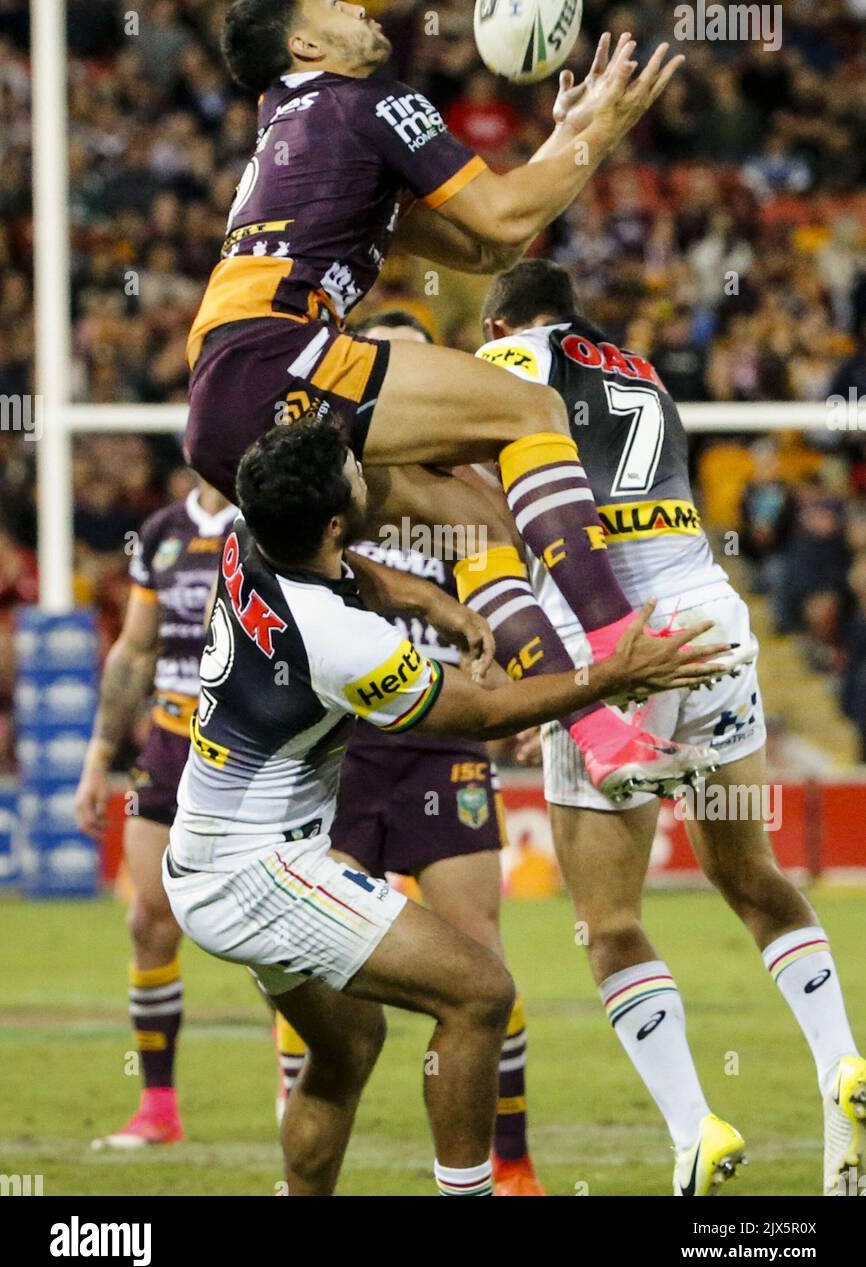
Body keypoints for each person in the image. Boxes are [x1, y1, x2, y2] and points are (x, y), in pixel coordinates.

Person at [162, 418, 726, 1197]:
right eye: (354, 475)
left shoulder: (245, 533)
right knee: (480, 991)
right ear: (330, 520)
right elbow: (482, 714)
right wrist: (609, 676)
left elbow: (347, 568)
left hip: (212, 848)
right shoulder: (338, 640)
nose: (365, 473)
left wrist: (432, 601)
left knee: (350, 1045)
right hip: (257, 872)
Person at [181, 0, 706, 800]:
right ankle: (617, 648)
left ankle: (605, 739)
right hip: (277, 353)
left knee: (474, 519)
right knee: (530, 409)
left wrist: (558, 142)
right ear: (307, 44)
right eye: (333, 3)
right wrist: (599, 129)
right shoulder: (369, 102)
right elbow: (502, 219)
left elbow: (487, 250)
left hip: (225, 397)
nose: (359, 4)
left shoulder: (302, 125)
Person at [472, 257, 866, 1197]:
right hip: (713, 624)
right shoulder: (638, 369)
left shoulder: (510, 365)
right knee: (752, 875)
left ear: (504, 319)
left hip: (616, 645)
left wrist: (552, 675)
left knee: (608, 924)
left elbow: (526, 519)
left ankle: (695, 1129)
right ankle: (841, 1060)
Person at [274, 311, 545, 1195]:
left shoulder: (469, 494)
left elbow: (512, 593)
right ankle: (307, 1157)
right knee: (325, 971)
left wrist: (531, 680)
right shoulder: (335, 490)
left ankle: (510, 1165)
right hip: (345, 747)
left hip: (445, 741)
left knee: (480, 957)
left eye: (410, 359)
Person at [76, 477, 236, 1148]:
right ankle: (158, 1108)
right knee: (148, 920)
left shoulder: (269, 513)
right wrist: (97, 757)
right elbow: (134, 651)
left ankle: (297, 1089)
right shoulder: (166, 530)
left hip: (243, 746)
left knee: (274, 935)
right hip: (168, 745)